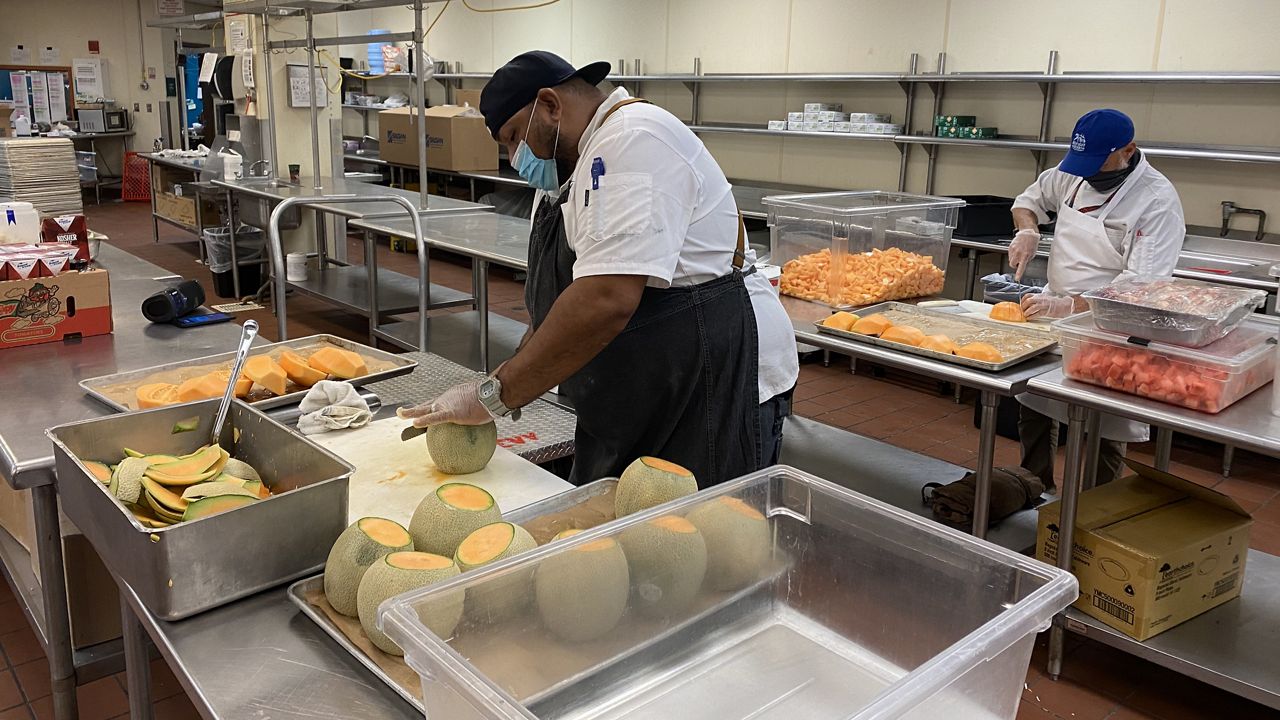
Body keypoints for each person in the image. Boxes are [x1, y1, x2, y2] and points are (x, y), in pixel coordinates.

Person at [401, 52, 798, 485]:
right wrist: (503, 381)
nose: (516, 157)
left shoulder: (633, 142)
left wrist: (494, 396)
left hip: (714, 379)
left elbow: (606, 298)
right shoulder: (564, 177)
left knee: (703, 531)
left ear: (551, 105)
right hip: (645, 384)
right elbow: (556, 309)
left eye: (515, 137)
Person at [1009, 108, 1185, 490]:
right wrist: (1028, 230)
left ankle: (1093, 511)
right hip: (1052, 315)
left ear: (1127, 150)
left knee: (1106, 423)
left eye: (1097, 162)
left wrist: (1073, 305)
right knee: (1036, 404)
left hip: (1113, 328)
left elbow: (1139, 286)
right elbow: (1029, 199)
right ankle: (1031, 488)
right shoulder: (1075, 170)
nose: (1087, 173)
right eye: (1081, 162)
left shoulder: (1155, 200)